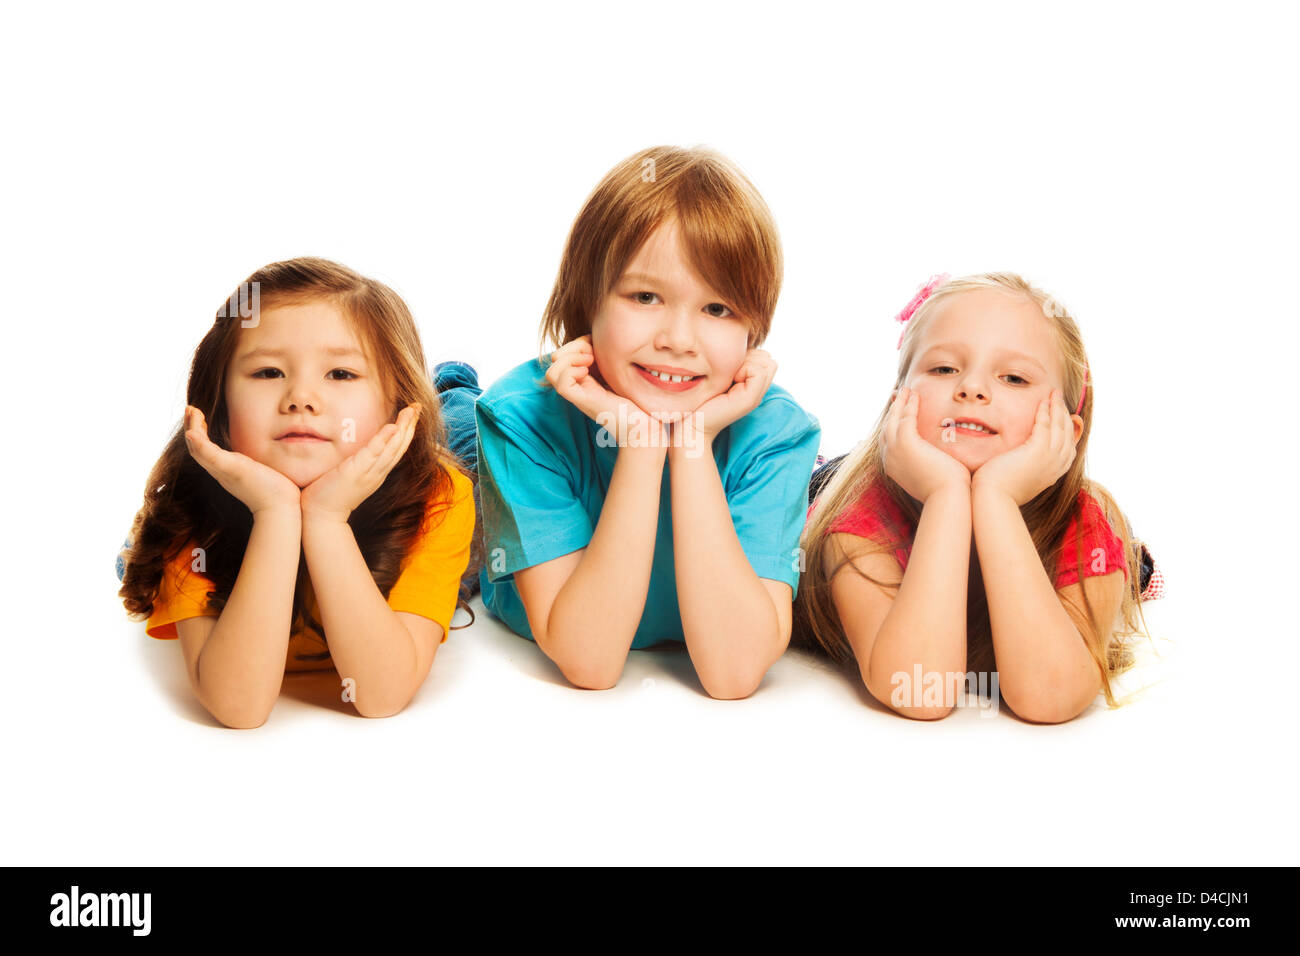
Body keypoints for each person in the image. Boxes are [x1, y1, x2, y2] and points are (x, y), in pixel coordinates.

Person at [475, 145, 821, 698]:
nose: (677, 341)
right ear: (587, 301)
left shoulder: (779, 432)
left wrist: (692, 443)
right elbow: (589, 661)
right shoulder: (522, 416)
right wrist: (637, 443)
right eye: (645, 296)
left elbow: (733, 675)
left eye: (718, 309)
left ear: (753, 330)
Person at [117, 257, 478, 727]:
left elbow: (379, 694)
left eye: (341, 374)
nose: (300, 399)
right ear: (218, 410)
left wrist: (326, 519)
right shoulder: (189, 507)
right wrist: (276, 511)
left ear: (397, 406)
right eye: (268, 373)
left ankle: (451, 386)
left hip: (433, 455)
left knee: (466, 425)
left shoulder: (437, 493)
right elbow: (239, 707)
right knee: (133, 560)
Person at [796, 273, 1162, 723]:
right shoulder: (858, 519)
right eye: (943, 368)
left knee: (1130, 562)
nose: (971, 389)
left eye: (1013, 377)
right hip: (833, 478)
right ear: (897, 405)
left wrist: (996, 499)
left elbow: (1050, 695)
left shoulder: (1084, 524)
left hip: (1060, 518)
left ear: (1066, 429)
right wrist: (946, 494)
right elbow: (920, 689)